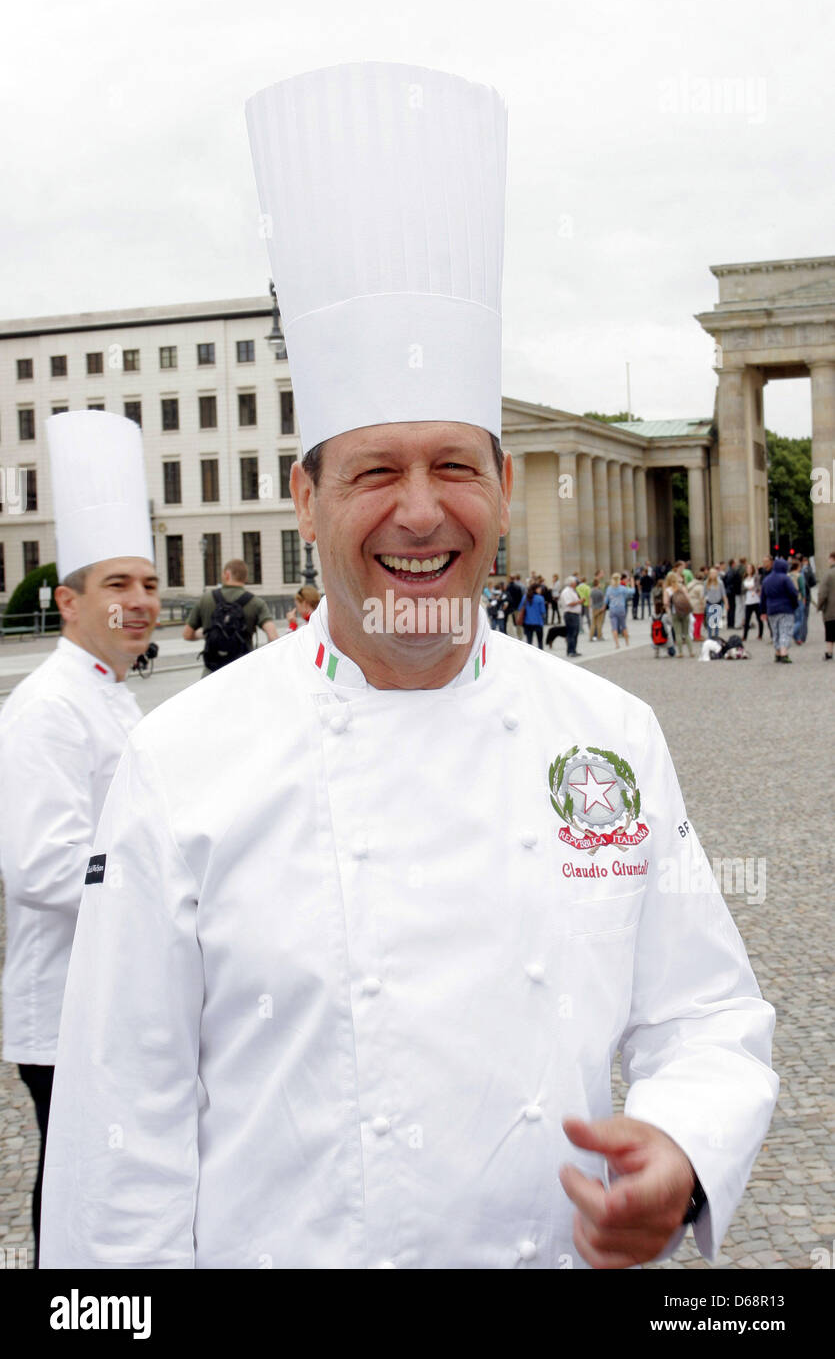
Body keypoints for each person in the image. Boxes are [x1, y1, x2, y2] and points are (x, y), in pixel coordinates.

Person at [41, 61, 776, 1273]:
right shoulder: (181, 763)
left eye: (456, 466)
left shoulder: (610, 737)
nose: (421, 513)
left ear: (498, 487)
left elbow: (708, 1016)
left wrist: (681, 1148)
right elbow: (123, 1140)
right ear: (306, 502)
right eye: (376, 472)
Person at [0, 410, 159, 1266]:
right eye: (115, 586)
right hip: (64, 1003)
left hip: (108, 993)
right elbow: (40, 867)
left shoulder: (109, 692)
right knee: (72, 1190)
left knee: (110, 1190)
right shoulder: (50, 708)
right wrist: (165, 881)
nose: (139, 602)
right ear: (66, 600)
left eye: (145, 583)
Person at [183, 559, 278, 672]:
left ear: (227, 574)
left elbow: (187, 634)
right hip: (243, 670)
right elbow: (273, 637)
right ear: (245, 578)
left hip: (212, 672)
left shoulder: (206, 599)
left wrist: (205, 633)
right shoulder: (256, 602)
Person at [760, 557, 799, 663]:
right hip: (786, 608)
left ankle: (777, 652)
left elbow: (763, 597)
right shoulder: (785, 578)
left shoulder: (766, 580)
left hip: (771, 610)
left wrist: (763, 611)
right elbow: (793, 593)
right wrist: (795, 605)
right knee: (785, 631)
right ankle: (784, 653)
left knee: (775, 632)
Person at [666, 573, 695, 659]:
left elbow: (666, 603)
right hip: (685, 612)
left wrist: (669, 614)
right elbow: (688, 599)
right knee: (686, 633)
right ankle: (691, 651)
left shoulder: (668, 590)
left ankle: (680, 652)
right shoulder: (682, 588)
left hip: (675, 613)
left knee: (678, 633)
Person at [558, 575, 583, 657]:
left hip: (575, 614)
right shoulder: (567, 591)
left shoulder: (572, 591)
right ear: (572, 583)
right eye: (575, 582)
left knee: (575, 633)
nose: (577, 583)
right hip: (570, 614)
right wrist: (579, 602)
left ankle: (574, 650)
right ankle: (570, 651)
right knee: (571, 633)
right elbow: (569, 603)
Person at [816, 549, 835, 660]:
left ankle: (829, 652)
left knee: (830, 632)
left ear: (832, 559)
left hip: (831, 610)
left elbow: (822, 593)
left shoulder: (828, 574)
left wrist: (819, 606)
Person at [603, 573, 630, 648]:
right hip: (621, 608)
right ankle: (627, 642)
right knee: (623, 626)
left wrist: (604, 607)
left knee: (614, 628)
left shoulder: (609, 588)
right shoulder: (622, 588)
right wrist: (632, 584)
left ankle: (617, 644)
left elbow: (606, 600)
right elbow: (631, 592)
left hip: (613, 609)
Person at [520, 581, 545, 648]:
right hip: (538, 622)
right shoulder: (540, 598)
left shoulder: (525, 597)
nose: (541, 590)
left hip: (527, 622)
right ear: (536, 589)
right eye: (540, 588)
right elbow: (543, 611)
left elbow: (520, 608)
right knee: (540, 642)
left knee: (529, 643)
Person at [703, 568, 727, 641]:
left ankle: (716, 636)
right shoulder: (706, 583)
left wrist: (726, 603)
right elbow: (704, 594)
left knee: (717, 621)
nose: (713, 575)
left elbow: (723, 594)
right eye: (711, 573)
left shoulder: (720, 583)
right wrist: (703, 603)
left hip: (718, 603)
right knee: (710, 620)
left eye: (714, 573)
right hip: (709, 603)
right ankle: (709, 636)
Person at [741, 563, 761, 642]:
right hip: (748, 600)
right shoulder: (744, 578)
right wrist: (747, 589)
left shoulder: (756, 577)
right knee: (747, 619)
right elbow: (742, 589)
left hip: (756, 600)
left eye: (750, 568)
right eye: (747, 568)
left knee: (759, 618)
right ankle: (744, 636)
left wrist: (754, 589)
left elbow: (758, 586)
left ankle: (760, 634)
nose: (749, 570)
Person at [687, 571, 705, 643]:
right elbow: (702, 597)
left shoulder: (690, 584)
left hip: (690, 603)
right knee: (699, 621)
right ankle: (697, 635)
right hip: (698, 604)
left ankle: (694, 634)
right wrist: (703, 606)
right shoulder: (700, 586)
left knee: (693, 621)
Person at [504, 573, 524, 639]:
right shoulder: (518, 587)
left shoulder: (507, 588)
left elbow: (506, 598)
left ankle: (511, 637)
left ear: (509, 579)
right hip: (517, 608)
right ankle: (520, 636)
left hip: (510, 608)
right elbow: (521, 598)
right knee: (518, 623)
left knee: (510, 623)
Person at [589, 572, 606, 641]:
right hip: (600, 608)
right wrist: (604, 607)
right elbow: (604, 600)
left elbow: (590, 599)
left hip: (594, 608)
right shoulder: (600, 591)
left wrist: (591, 606)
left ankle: (591, 636)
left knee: (593, 623)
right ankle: (599, 636)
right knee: (599, 623)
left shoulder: (591, 591)